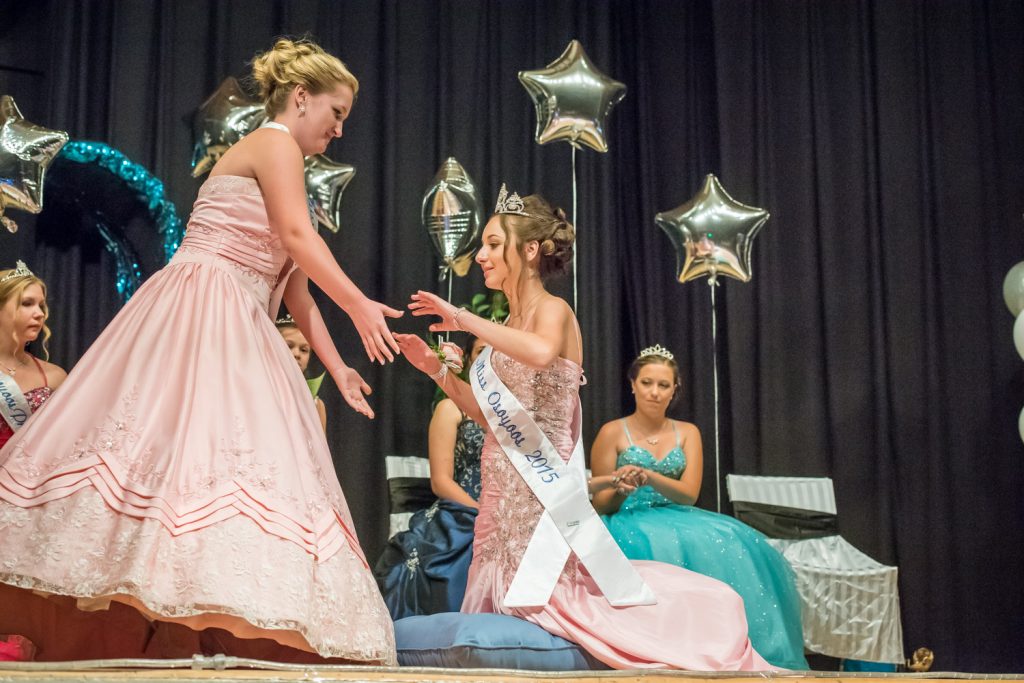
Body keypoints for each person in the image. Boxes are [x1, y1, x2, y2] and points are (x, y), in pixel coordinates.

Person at [0, 38, 399, 664]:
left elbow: (295, 285)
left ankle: (195, 633)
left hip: (242, 316)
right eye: (337, 111)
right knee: (181, 456)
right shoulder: (274, 144)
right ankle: (157, 627)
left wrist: (340, 363)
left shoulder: (285, 160)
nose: (340, 128)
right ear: (301, 97)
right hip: (206, 309)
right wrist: (359, 302)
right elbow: (295, 234)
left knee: (226, 466)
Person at [394, 184, 774, 671]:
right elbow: (482, 412)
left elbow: (538, 353)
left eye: (493, 243)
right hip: (500, 497)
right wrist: (434, 368)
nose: (482, 255)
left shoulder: (553, 311)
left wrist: (461, 318)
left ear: (529, 250)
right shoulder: (505, 324)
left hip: (542, 493)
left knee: (551, 602)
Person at [591, 347, 808, 670]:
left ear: (674, 390)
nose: (654, 392)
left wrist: (649, 477)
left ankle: (731, 653)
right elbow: (600, 503)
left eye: (663, 385)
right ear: (632, 384)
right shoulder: (612, 432)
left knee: (734, 542)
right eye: (647, 382)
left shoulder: (687, 432)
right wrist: (623, 489)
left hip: (676, 514)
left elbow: (689, 494)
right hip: (625, 517)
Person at [374, 335, 486, 619]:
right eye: (482, 352)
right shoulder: (452, 408)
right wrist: (483, 514)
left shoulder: (512, 414)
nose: (490, 360)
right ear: (470, 361)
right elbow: (441, 482)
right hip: (463, 513)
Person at [0, 262, 67, 452]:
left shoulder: (54, 376)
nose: (39, 314)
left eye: (41, 306)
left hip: (31, 480)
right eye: (27, 304)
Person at [276, 314, 327, 431]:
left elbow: (321, 448)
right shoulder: (258, 392)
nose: (297, 354)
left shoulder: (316, 405)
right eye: (289, 346)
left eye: (304, 350)